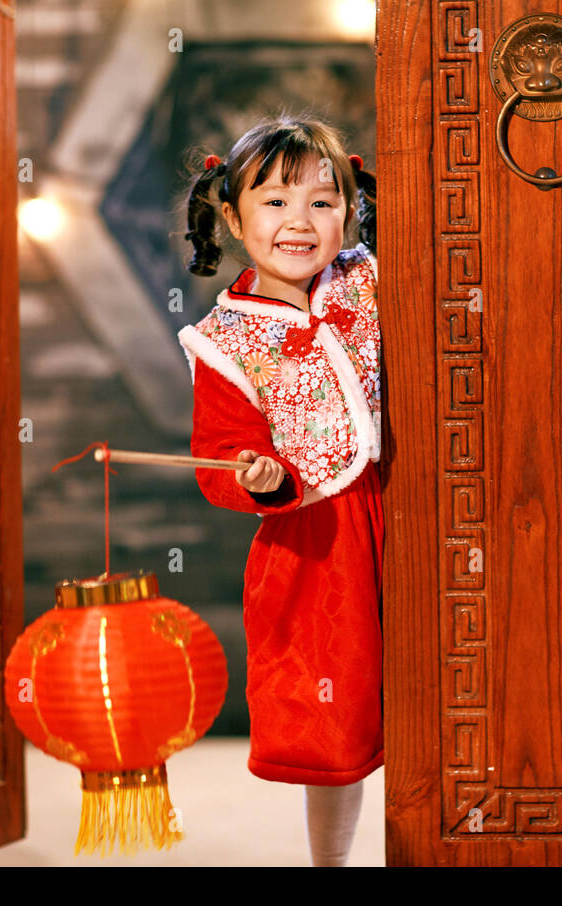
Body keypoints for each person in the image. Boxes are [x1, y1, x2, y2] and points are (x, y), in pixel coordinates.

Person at [176, 113, 381, 866]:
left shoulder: (370, 281)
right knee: (334, 719)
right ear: (231, 215)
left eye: (323, 201)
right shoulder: (222, 340)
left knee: (440, 688)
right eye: (274, 202)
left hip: (408, 516)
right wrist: (258, 477)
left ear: (350, 210)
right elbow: (220, 455)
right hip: (316, 549)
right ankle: (332, 862)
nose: (300, 221)